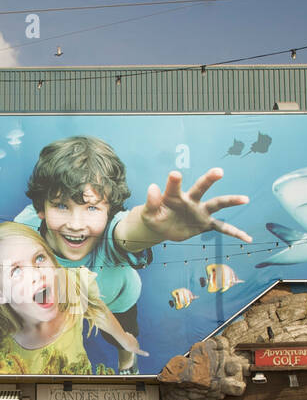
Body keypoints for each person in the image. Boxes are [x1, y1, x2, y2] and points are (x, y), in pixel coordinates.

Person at [14, 136, 250, 371]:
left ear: (109, 211)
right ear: (41, 209)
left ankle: (127, 355)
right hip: (56, 301)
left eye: (92, 208)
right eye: (62, 206)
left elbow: (127, 231)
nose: (76, 224)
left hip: (114, 297)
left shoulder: (110, 232)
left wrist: (152, 229)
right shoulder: (24, 230)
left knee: (121, 338)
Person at [0, 222, 147, 375]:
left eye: (39, 258)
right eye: (16, 270)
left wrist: (124, 340)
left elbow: (99, 311)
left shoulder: (71, 284)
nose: (37, 274)